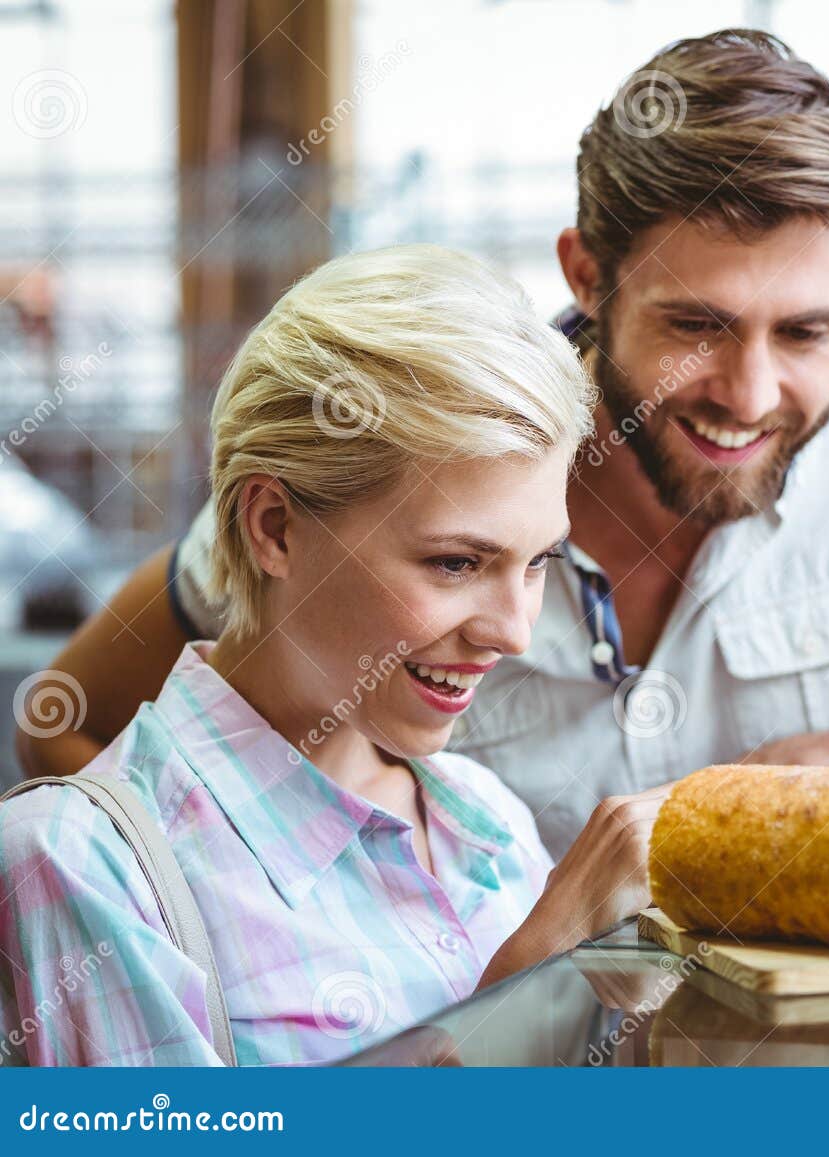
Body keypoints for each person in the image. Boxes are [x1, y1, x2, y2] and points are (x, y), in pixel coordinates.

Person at [17, 30, 829, 860]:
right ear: (587, 275)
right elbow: (67, 724)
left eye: (808, 330)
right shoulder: (434, 430)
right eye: (695, 325)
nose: (748, 394)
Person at [0, 246, 663, 1066]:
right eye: (457, 563)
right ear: (274, 527)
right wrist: (533, 975)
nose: (513, 631)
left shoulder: (486, 817)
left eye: (538, 562)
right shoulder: (79, 864)